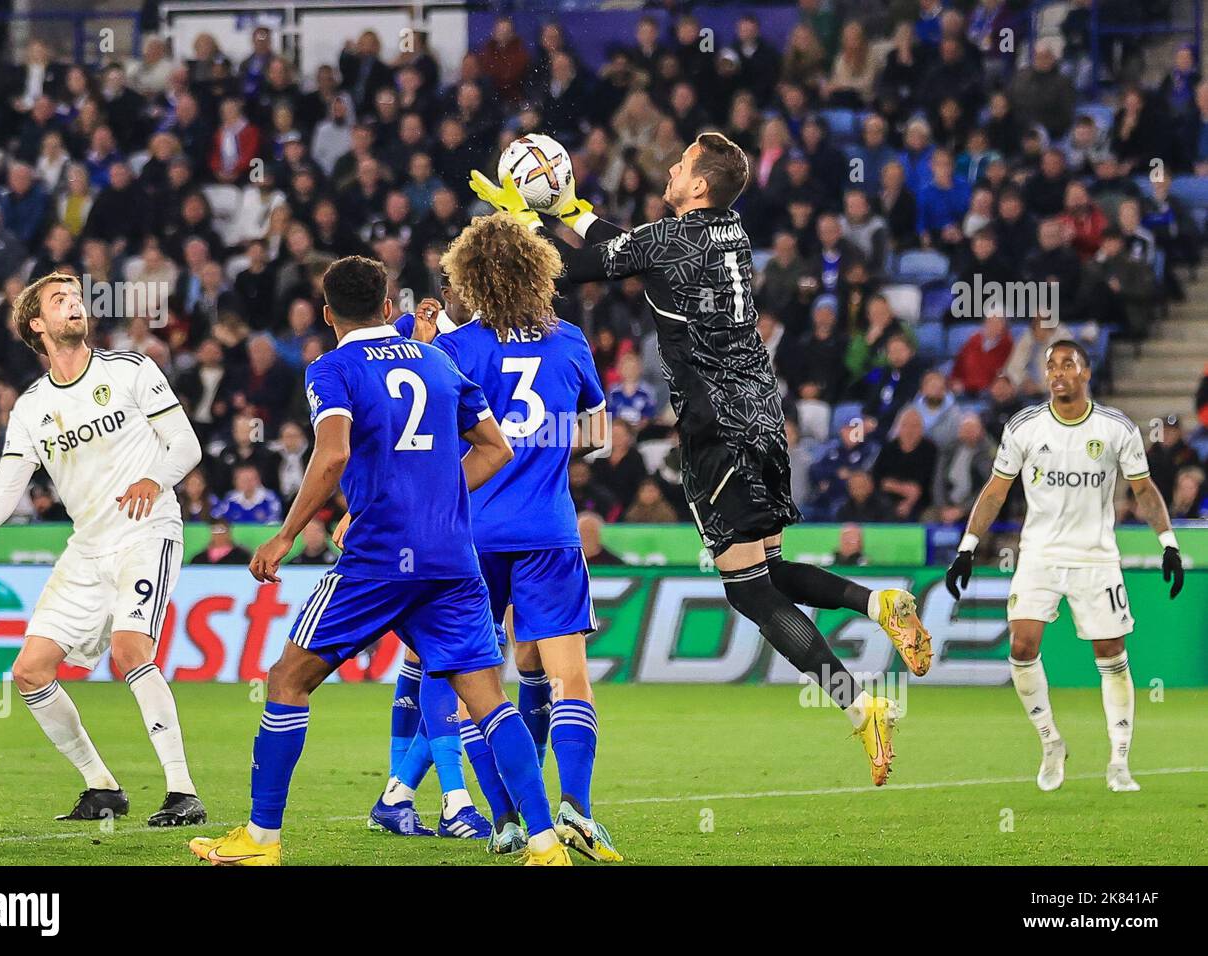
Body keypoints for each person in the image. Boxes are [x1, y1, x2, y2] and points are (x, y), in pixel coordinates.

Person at [471, 132, 932, 785]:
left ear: (699, 187)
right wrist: (567, 207)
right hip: (766, 419)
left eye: (680, 163)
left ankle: (860, 704)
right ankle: (875, 603)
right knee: (768, 569)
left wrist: (522, 221)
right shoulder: (731, 232)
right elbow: (626, 245)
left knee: (748, 593)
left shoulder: (668, 240)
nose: (669, 165)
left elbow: (572, 271)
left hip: (714, 429)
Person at [189, 256, 570, 866]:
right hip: (452, 558)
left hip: (379, 557)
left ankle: (261, 840)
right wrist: (438, 498)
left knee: (289, 679)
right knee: (488, 699)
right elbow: (496, 448)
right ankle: (547, 844)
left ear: (326, 313)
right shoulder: (440, 361)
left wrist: (286, 535)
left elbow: (332, 452)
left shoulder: (331, 369)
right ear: (389, 306)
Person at [0, 274, 206, 827]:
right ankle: (101, 787)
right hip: (87, 548)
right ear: (37, 324)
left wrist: (153, 479)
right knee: (29, 671)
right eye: (60, 300)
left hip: (146, 533)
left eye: (77, 297)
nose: (74, 304)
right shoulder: (31, 408)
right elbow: (7, 489)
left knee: (131, 651)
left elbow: (187, 445)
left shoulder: (129, 370)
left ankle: (183, 793)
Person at [434, 213, 618, 860]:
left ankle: (508, 820)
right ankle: (576, 810)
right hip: (548, 529)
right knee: (569, 675)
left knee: (477, 687)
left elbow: (437, 440)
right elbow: (599, 437)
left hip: (472, 535)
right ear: (541, 269)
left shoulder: (457, 350)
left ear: (472, 278)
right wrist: (558, 444)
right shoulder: (570, 341)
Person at [946, 341, 1184, 794]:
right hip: (1039, 554)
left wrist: (1167, 543)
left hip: (1096, 557)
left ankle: (1119, 760)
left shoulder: (1115, 427)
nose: (1057, 373)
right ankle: (1050, 741)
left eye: (1067, 365)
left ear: (1085, 373)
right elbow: (996, 490)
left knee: (1110, 653)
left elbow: (1144, 489)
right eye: (1051, 365)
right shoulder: (1024, 426)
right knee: (1021, 645)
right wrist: (967, 547)